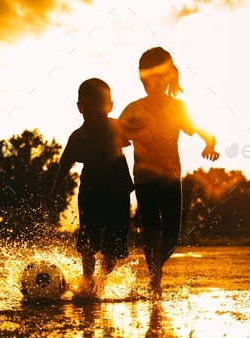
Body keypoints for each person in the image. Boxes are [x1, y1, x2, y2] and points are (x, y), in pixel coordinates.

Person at [119, 47, 220, 297]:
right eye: (146, 79)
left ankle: (155, 270)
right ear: (141, 78)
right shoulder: (133, 109)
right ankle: (155, 281)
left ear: (169, 77)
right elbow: (116, 133)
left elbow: (204, 131)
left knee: (172, 236)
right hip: (144, 178)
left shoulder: (177, 108)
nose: (151, 84)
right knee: (151, 230)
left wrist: (210, 144)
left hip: (171, 178)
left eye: (158, 78)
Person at [43, 78, 151, 294]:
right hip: (91, 193)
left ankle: (100, 283)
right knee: (88, 243)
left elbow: (143, 134)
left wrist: (146, 137)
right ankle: (88, 281)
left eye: (99, 113)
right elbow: (65, 163)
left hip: (118, 194)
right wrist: (54, 191)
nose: (94, 119)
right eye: (88, 113)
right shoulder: (77, 138)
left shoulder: (118, 127)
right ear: (80, 108)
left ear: (109, 107)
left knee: (112, 247)